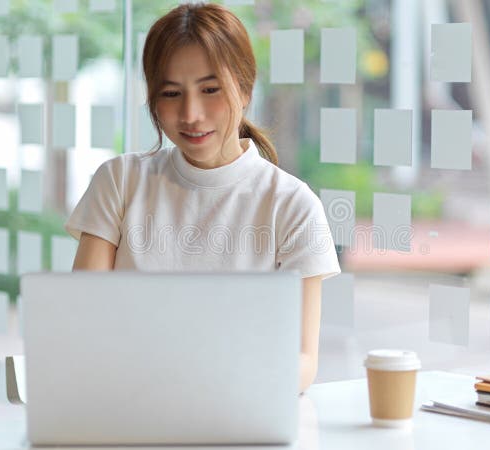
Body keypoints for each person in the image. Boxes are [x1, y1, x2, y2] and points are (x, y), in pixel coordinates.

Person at [65, 2, 340, 394]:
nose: (191, 114)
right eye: (171, 93)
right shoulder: (120, 181)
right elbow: (82, 323)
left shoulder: (292, 205)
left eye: (210, 90)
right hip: (128, 405)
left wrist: (220, 388)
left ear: (244, 89)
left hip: (238, 408)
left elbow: (302, 359)